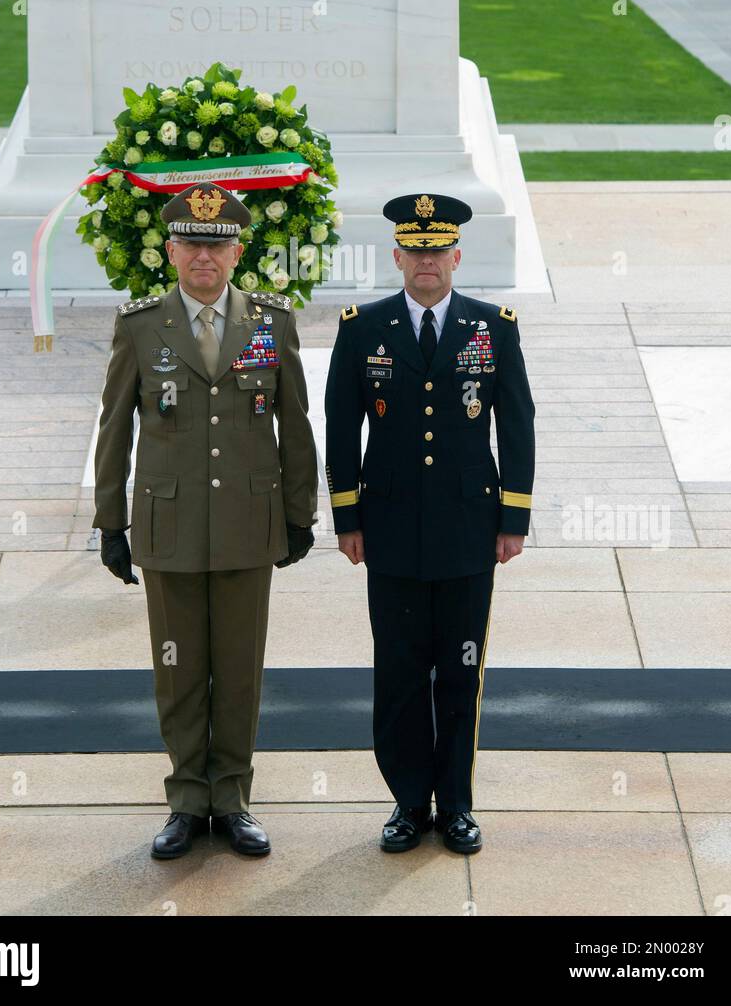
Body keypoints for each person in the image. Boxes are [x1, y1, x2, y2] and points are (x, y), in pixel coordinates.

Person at [93, 181, 318, 859]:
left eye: (216, 248)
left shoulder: (271, 324)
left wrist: (299, 512)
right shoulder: (141, 327)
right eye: (192, 244)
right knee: (179, 667)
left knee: (241, 670)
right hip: (170, 527)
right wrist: (111, 521)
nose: (204, 259)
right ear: (170, 250)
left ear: (238, 251)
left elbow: (297, 427)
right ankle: (188, 799)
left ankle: (235, 797)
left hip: (249, 524)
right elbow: (114, 429)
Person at [324, 192, 535, 855]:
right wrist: (346, 517)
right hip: (387, 530)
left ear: (456, 256)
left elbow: (519, 425)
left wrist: (514, 518)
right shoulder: (363, 327)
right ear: (397, 257)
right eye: (415, 252)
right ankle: (409, 802)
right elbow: (339, 426)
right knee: (400, 671)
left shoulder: (492, 327)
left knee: (461, 672)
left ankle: (459, 804)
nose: (426, 263)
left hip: (470, 528)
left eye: (437, 251)